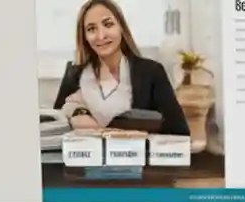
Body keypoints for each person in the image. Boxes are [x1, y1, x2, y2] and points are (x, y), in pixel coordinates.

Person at [53, 0, 190, 136]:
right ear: (85, 37)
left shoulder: (152, 72)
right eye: (91, 29)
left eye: (108, 24)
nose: (101, 36)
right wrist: (78, 113)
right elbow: (53, 129)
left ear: (121, 27)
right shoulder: (74, 74)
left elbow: (179, 133)